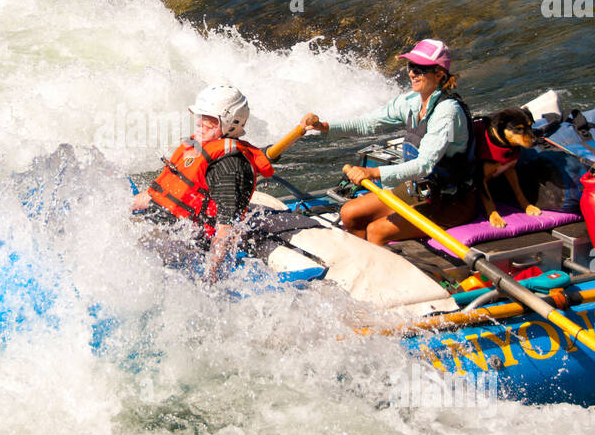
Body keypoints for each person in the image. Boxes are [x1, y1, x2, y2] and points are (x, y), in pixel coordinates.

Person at [300, 38, 476, 245]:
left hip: (451, 200)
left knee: (377, 230)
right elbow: (368, 123)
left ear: (438, 74)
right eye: (411, 66)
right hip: (420, 189)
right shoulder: (410, 102)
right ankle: (372, 262)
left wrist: (373, 172)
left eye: (419, 69)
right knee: (349, 213)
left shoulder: (448, 113)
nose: (412, 73)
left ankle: (379, 267)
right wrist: (325, 127)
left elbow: (424, 165)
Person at [131, 84, 273, 281]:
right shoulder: (196, 146)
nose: (201, 126)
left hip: (188, 245)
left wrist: (211, 276)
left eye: (210, 122)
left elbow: (225, 230)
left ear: (231, 123)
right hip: (163, 225)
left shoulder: (229, 167)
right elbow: (152, 196)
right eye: (200, 118)